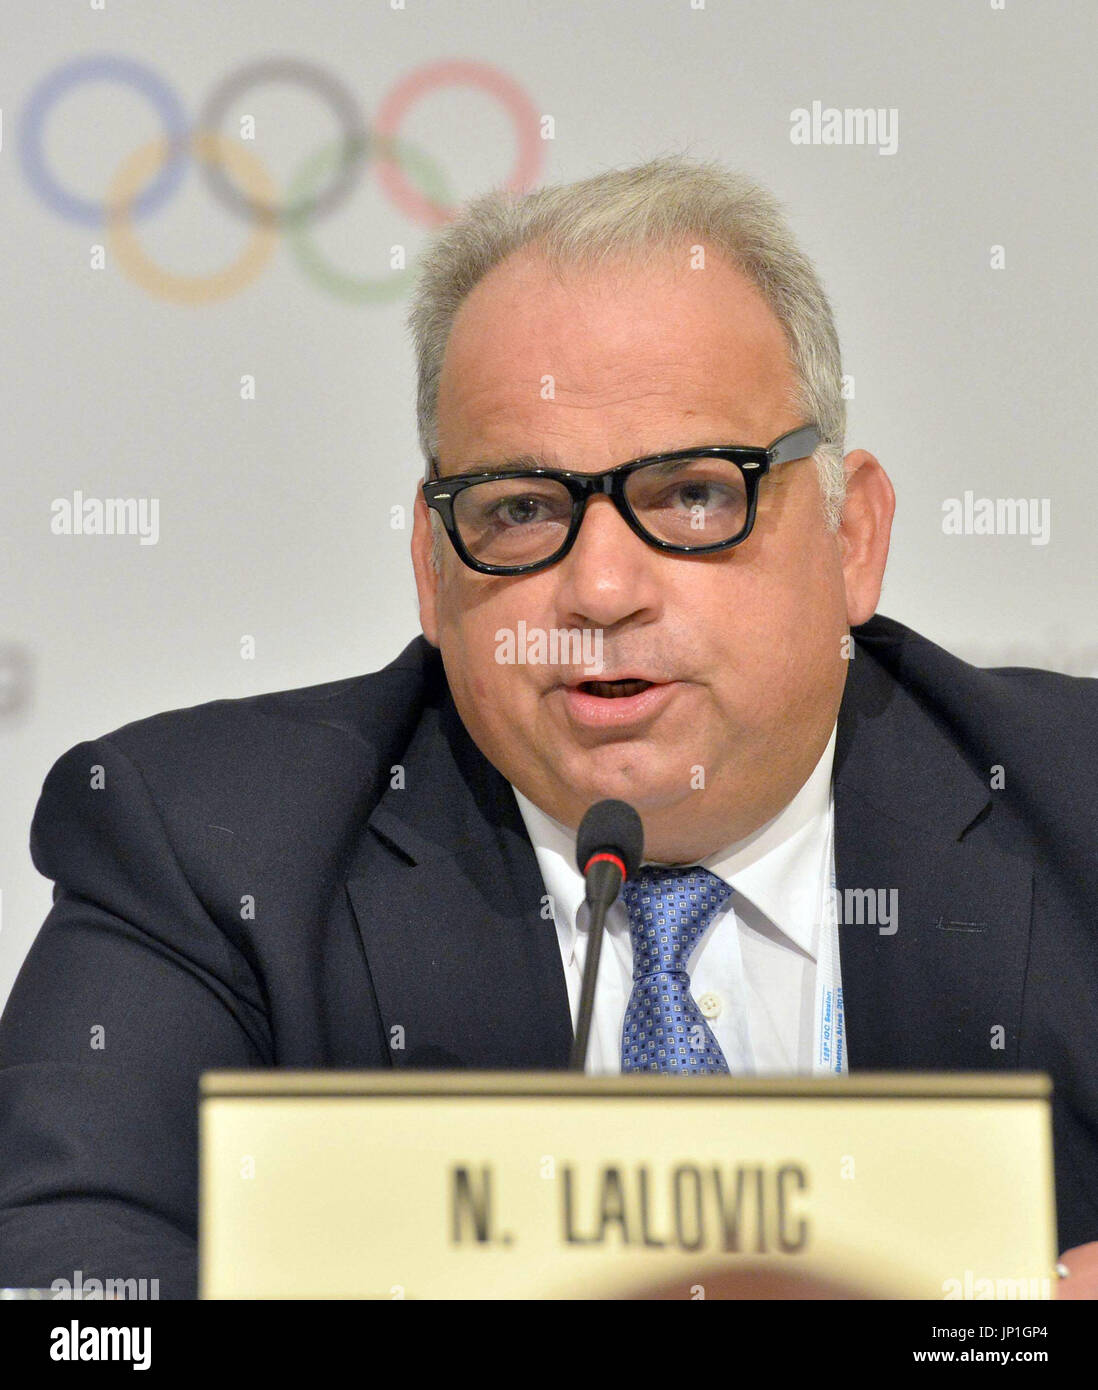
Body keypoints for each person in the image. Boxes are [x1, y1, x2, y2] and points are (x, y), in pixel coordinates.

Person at [2, 156, 1095, 1299]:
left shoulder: (1075, 797)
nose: (603, 589)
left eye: (693, 494)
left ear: (852, 535)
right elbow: (61, 1288)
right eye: (522, 510)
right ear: (433, 573)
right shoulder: (210, 849)